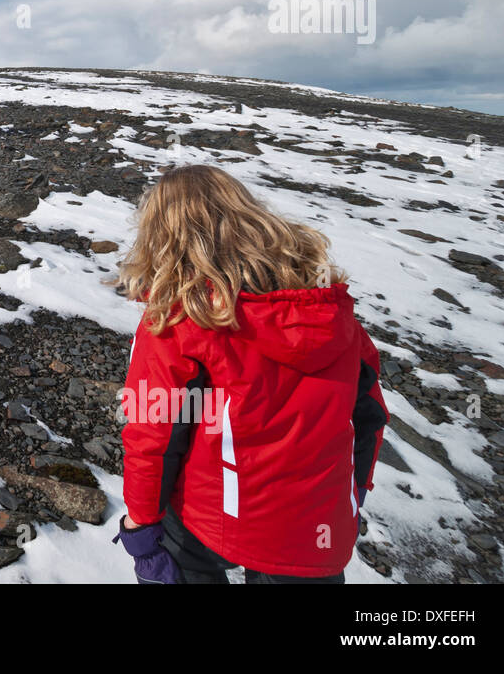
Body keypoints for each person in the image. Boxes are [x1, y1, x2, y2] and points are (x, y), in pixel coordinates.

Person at [111, 165, 388, 583]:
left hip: (212, 519)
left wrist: (140, 525)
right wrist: (354, 495)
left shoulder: (180, 320)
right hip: (318, 530)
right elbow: (369, 416)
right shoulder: (332, 313)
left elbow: (153, 432)